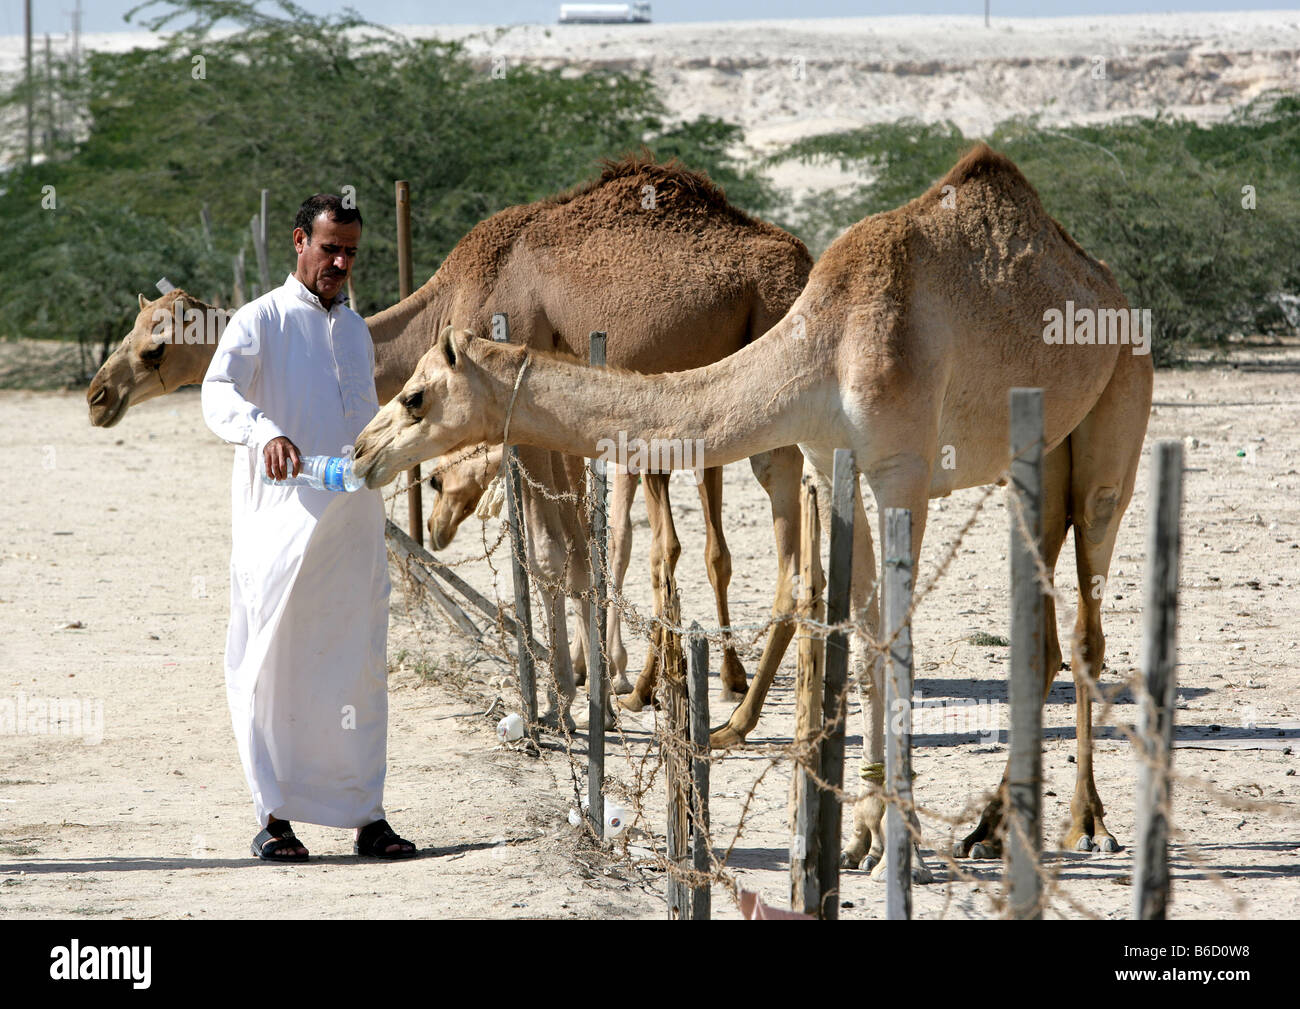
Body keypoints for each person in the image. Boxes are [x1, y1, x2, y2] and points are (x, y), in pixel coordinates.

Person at [202, 193, 416, 861]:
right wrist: (263, 431)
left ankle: (367, 816)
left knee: (358, 668)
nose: (341, 262)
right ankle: (274, 816)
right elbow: (217, 391)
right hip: (281, 532)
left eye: (350, 250)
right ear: (300, 241)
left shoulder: (354, 329)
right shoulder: (260, 319)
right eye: (329, 248)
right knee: (274, 668)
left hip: (352, 530)